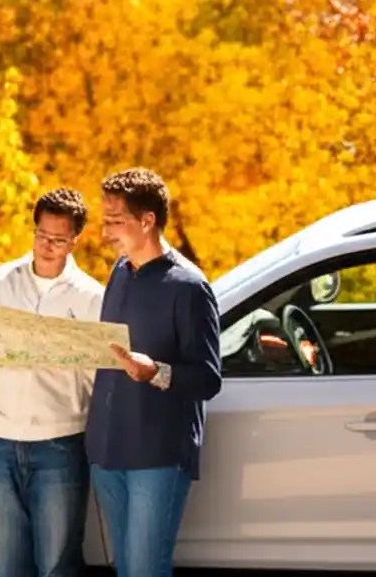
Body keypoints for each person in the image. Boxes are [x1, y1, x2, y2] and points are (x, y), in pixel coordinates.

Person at [0, 188, 105, 577]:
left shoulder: (92, 298)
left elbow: (102, 378)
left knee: (58, 565)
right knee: (10, 565)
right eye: (41, 235)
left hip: (60, 445)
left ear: (75, 241)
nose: (47, 246)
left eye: (58, 240)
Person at [85, 167, 223, 577]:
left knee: (145, 570)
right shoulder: (119, 272)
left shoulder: (190, 287)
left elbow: (208, 379)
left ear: (147, 221)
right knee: (126, 567)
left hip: (157, 456)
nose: (106, 232)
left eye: (115, 222)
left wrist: (156, 371)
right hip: (108, 451)